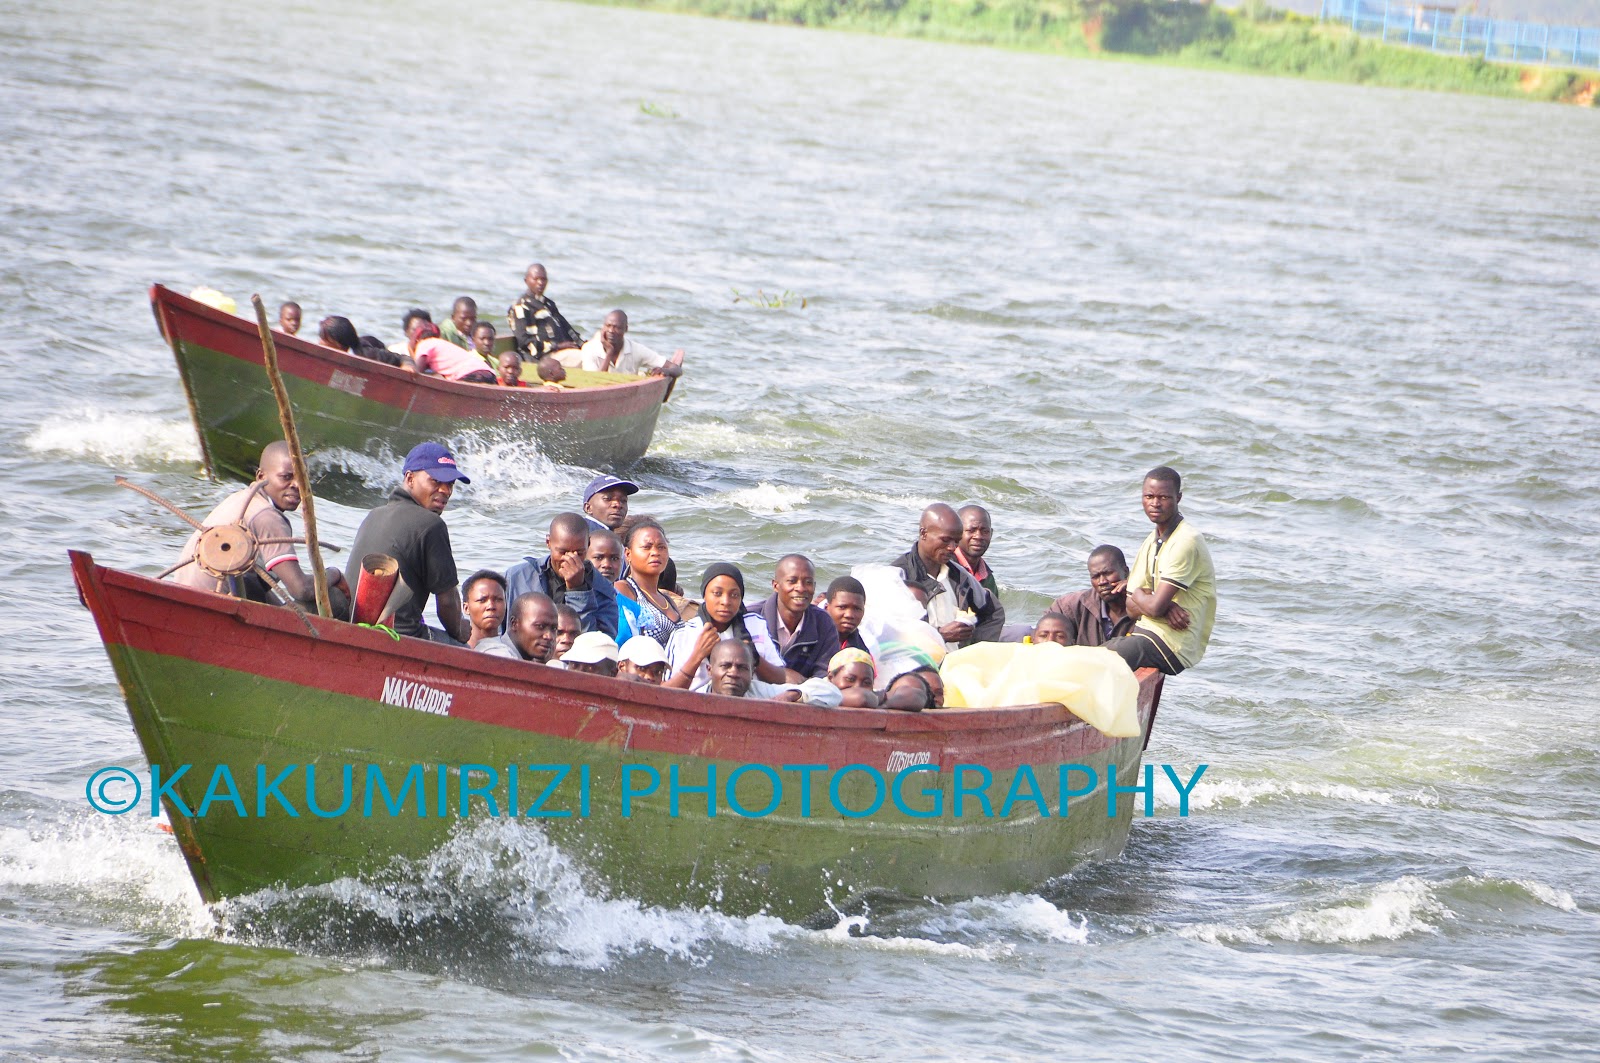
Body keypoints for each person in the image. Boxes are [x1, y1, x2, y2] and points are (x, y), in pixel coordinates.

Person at [173, 440, 349, 613]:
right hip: (213, 609)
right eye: (286, 477)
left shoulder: (240, 499)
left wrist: (278, 609)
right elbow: (301, 589)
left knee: (255, 581)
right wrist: (334, 574)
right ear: (261, 476)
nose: (297, 485)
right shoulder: (267, 517)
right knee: (334, 598)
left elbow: (255, 585)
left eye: (303, 478)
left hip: (188, 602)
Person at [346, 442, 471, 642]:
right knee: (465, 653)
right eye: (436, 481)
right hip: (398, 636)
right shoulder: (431, 524)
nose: (446, 490)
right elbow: (447, 602)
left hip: (354, 625)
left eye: (450, 484)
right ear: (410, 478)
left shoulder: (373, 515)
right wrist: (462, 631)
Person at [1104, 467, 1217, 676]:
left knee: (1103, 657)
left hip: (1173, 645)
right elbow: (1130, 608)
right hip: (1146, 633)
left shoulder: (1185, 541)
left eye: (1163, 497)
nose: (1155, 503)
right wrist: (1165, 606)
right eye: (1149, 496)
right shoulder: (1151, 541)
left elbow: (1149, 605)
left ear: (1178, 498)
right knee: (1095, 652)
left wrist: (1140, 593)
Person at [892, 504, 1002, 650]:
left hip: (953, 666)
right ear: (923, 533)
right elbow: (887, 634)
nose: (952, 547)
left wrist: (974, 653)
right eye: (945, 540)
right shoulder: (898, 575)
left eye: (956, 541)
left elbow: (993, 612)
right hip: (913, 667)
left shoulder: (959, 575)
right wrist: (940, 635)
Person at [665, 563, 787, 691]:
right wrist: (697, 655)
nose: (726, 602)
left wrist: (753, 656)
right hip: (699, 702)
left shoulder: (755, 625)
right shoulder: (685, 633)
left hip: (751, 700)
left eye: (734, 595)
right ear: (704, 595)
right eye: (717, 593)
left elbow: (780, 679)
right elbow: (666, 692)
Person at [504, 512, 620, 638]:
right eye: (562, 552)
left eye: (579, 553)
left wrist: (578, 591)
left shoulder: (603, 589)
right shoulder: (517, 577)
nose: (569, 559)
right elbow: (499, 631)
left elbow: (598, 646)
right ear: (548, 542)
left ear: (588, 545)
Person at [752, 555, 840, 682]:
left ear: (814, 587)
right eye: (792, 581)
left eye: (808, 582)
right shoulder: (752, 617)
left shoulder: (823, 623)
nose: (801, 588)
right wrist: (782, 676)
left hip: (803, 697)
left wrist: (796, 692)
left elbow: (824, 675)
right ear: (776, 586)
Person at [614, 518, 689, 647]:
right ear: (628, 554)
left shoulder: (667, 599)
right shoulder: (624, 590)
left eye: (661, 547)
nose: (655, 553)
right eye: (646, 547)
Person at [703, 640, 842, 706]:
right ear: (710, 670)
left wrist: (793, 695)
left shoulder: (760, 691)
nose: (733, 673)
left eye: (742, 668)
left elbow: (832, 693)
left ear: (752, 673)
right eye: (725, 666)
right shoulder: (697, 697)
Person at [1050, 545, 1136, 647]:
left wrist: (1135, 593)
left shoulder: (1144, 605)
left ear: (1125, 572)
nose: (1102, 582)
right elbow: (1044, 629)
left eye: (1108, 573)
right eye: (1095, 576)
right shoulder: (1073, 606)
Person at [508, 263, 583, 365]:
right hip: (545, 357)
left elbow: (569, 330)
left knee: (596, 347)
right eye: (536, 279)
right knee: (584, 358)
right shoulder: (520, 307)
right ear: (526, 281)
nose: (540, 283)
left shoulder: (548, 304)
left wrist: (582, 344)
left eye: (543, 279)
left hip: (565, 351)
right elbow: (525, 342)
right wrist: (556, 346)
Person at [579, 310, 684, 378]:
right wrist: (609, 354)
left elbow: (676, 368)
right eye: (608, 326)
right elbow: (595, 384)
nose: (611, 330)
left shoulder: (635, 349)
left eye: (617, 327)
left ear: (626, 329)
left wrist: (666, 371)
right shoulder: (589, 349)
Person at [953, 505, 1006, 631]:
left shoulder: (988, 577)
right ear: (956, 532)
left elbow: (991, 620)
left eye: (985, 531)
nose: (978, 536)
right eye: (971, 530)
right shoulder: (946, 568)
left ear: (991, 534)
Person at [477, 592, 559, 663]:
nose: (549, 636)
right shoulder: (497, 656)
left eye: (554, 629)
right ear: (514, 624)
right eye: (540, 626)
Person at [412, 322, 498, 384]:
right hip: (489, 373)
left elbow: (417, 372)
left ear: (418, 339)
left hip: (470, 375)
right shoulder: (445, 345)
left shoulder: (424, 344)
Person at [821, 576, 875, 657]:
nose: (849, 615)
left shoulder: (861, 652)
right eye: (842, 607)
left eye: (857, 609)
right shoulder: (809, 638)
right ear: (826, 608)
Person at [461, 570, 508, 649]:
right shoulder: (456, 650)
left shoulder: (510, 653)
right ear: (466, 608)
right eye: (482, 600)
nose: (491, 606)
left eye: (498, 599)